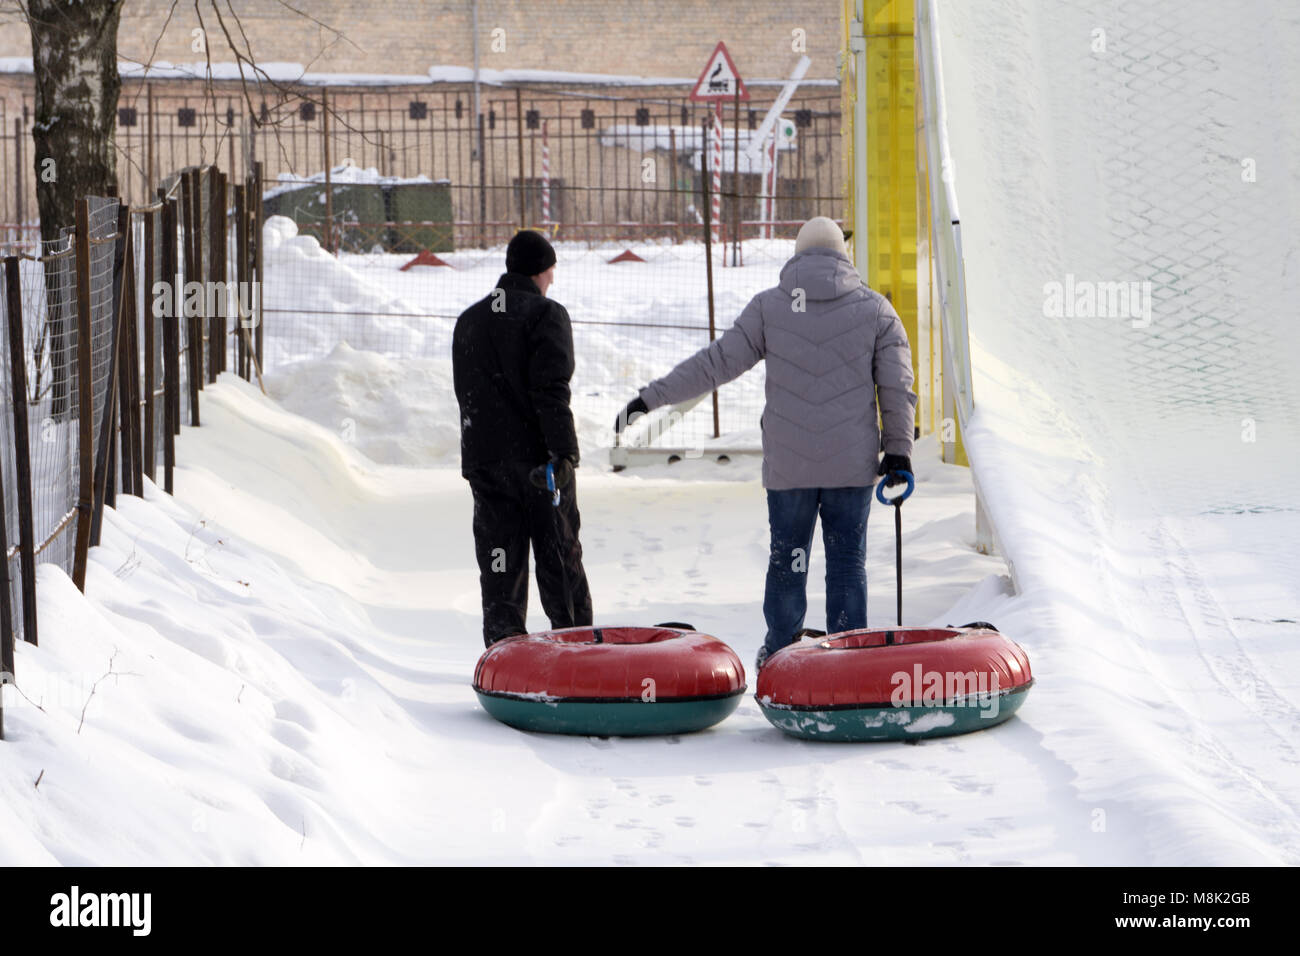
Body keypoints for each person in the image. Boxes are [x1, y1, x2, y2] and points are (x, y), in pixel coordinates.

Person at [615, 217, 916, 670]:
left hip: (789, 469)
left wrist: (649, 399)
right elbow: (897, 388)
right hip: (851, 468)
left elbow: (715, 364)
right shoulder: (875, 310)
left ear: (796, 255)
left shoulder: (771, 308)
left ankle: (780, 654)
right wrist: (899, 452)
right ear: (843, 255)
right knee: (848, 561)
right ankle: (851, 658)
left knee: (788, 559)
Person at [453, 229, 593, 646]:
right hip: (540, 467)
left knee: (500, 565)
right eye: (551, 272)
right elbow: (551, 391)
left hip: (486, 466)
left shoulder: (470, 321)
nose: (551, 281)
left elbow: (468, 396)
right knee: (560, 562)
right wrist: (564, 453)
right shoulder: (545, 315)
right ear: (540, 271)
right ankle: (578, 652)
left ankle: (504, 657)